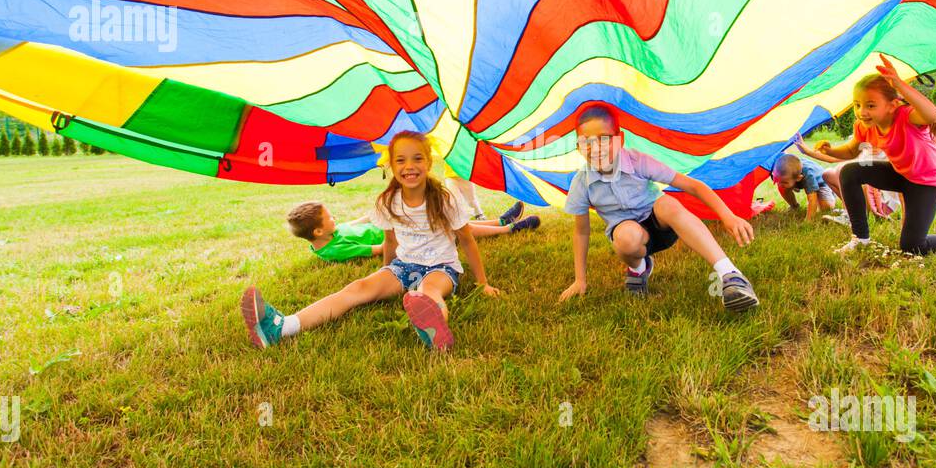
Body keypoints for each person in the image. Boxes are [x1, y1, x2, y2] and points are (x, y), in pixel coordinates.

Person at [242, 131, 501, 352]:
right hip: (403, 266)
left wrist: (483, 283)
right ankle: (282, 328)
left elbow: (467, 240)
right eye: (401, 160)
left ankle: (436, 334)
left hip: (441, 268)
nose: (409, 166)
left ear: (429, 162)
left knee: (428, 291)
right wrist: (386, 271)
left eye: (417, 158)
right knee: (356, 289)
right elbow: (390, 240)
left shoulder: (445, 199)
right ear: (391, 165)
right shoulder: (387, 202)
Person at [557, 104, 759, 310]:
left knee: (668, 204)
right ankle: (639, 268)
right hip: (632, 238)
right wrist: (580, 280)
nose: (596, 148)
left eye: (604, 139)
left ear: (621, 140)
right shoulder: (581, 183)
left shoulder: (638, 161)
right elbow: (581, 231)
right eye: (587, 142)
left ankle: (730, 274)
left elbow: (692, 185)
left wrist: (728, 216)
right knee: (625, 238)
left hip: (662, 225)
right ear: (578, 147)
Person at [813, 56, 936, 255]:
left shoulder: (906, 116)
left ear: (892, 105)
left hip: (926, 181)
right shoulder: (865, 126)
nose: (861, 112)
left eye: (870, 105)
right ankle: (860, 238)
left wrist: (899, 84)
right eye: (857, 105)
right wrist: (830, 150)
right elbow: (851, 151)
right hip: (900, 174)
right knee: (849, 172)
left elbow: (931, 114)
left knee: (913, 246)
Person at [286, 200, 538, 263]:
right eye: (329, 218)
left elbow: (360, 221)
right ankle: (507, 229)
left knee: (449, 220)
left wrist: (379, 211)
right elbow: (380, 249)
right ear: (318, 231)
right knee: (453, 229)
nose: (335, 218)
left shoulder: (332, 233)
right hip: (402, 235)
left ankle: (500, 221)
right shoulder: (335, 250)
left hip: (397, 223)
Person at [770, 151, 836, 221]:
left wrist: (808, 221)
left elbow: (812, 198)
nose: (779, 184)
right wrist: (779, 180)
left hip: (821, 182)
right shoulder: (778, 170)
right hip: (794, 180)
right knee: (782, 187)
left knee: (826, 207)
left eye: (784, 182)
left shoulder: (808, 175)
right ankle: (794, 206)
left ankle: (832, 192)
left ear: (798, 178)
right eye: (777, 179)